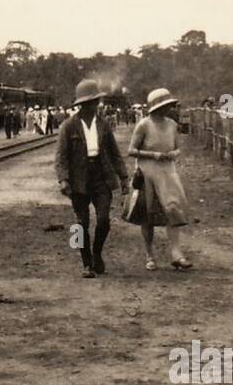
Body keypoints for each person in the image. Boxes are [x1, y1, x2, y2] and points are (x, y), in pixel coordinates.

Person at [56, 79, 129, 278]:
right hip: (79, 178)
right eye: (89, 102)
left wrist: (123, 178)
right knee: (80, 224)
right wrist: (63, 179)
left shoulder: (103, 124)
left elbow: (115, 154)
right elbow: (61, 157)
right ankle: (86, 262)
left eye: (95, 101)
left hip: (101, 176)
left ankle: (97, 253)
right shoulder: (68, 126)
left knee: (104, 220)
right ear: (81, 104)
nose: (93, 105)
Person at [126, 88, 193, 270]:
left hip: (168, 173)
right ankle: (150, 255)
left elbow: (178, 147)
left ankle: (176, 254)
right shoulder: (144, 125)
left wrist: (173, 153)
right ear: (155, 107)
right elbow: (131, 150)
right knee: (147, 215)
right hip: (148, 173)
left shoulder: (172, 124)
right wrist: (152, 154)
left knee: (173, 210)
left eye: (169, 106)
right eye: (164, 106)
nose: (168, 109)